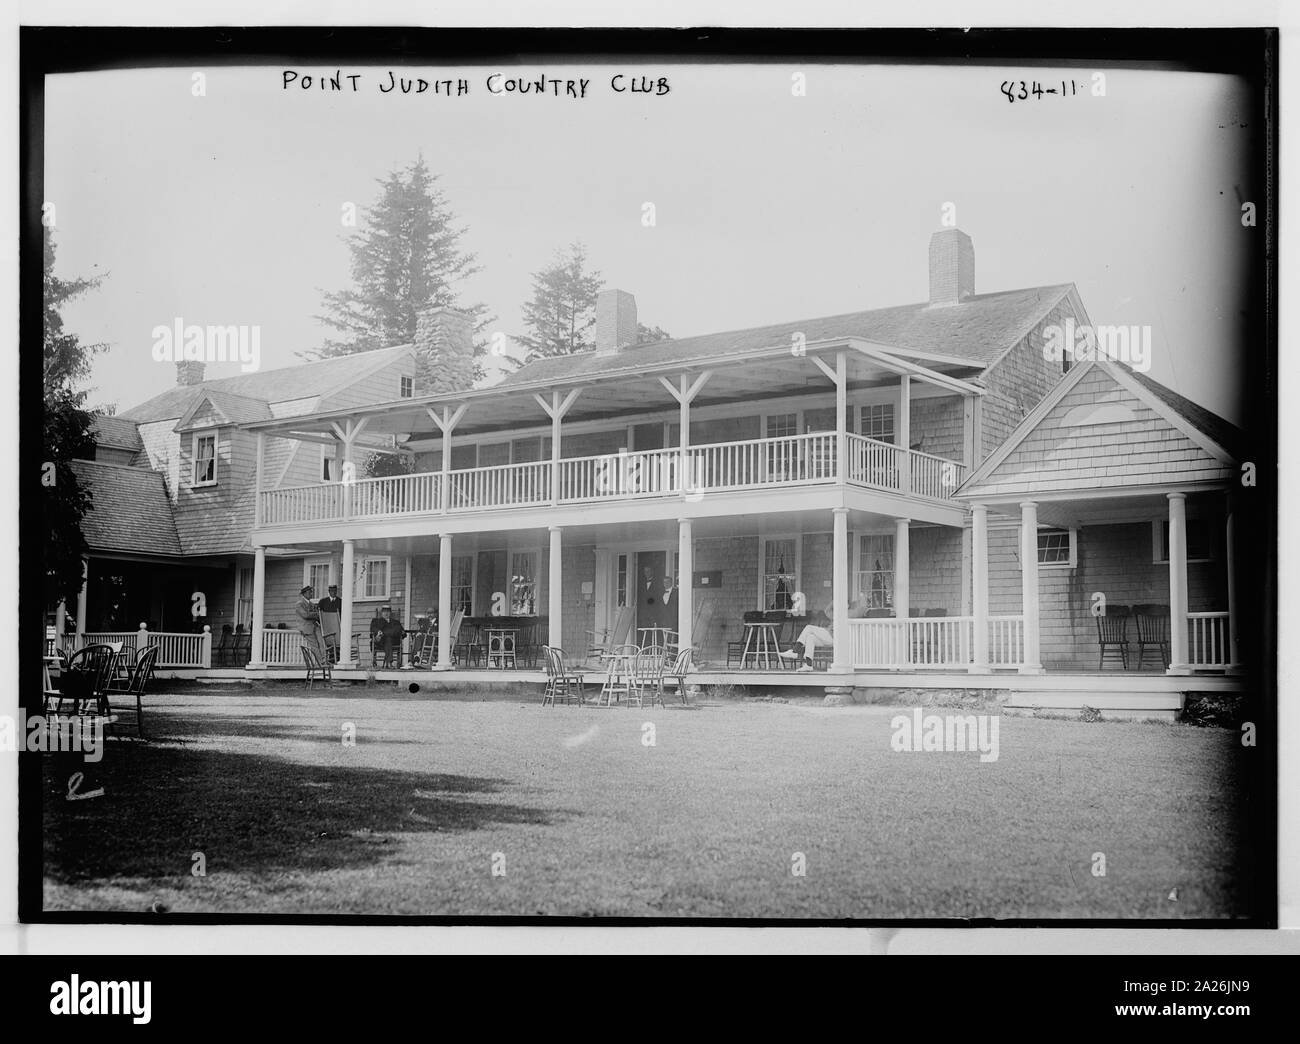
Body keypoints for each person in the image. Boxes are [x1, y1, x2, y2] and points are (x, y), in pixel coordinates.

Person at [780, 599, 865, 672]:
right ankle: (808, 665)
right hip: (829, 636)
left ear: (848, 605)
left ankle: (795, 651)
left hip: (834, 637)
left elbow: (860, 611)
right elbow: (827, 610)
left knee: (809, 628)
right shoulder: (837, 613)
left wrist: (862, 600)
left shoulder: (849, 613)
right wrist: (834, 600)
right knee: (810, 637)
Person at [294, 586, 327, 662]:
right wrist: (315, 614)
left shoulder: (312, 604)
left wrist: (315, 614)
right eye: (309, 592)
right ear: (304, 594)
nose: (311, 594)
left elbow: (318, 614)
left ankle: (325, 659)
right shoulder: (299, 604)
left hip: (315, 626)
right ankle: (321, 662)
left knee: (322, 643)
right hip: (307, 628)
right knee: (314, 645)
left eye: (311, 592)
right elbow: (305, 615)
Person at [317, 584, 341, 663]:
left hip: (338, 628)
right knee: (329, 643)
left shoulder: (340, 601)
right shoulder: (323, 602)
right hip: (327, 628)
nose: (333, 593)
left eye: (335, 591)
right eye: (331, 591)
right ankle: (330, 661)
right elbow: (319, 614)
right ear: (329, 592)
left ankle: (337, 660)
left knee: (338, 644)